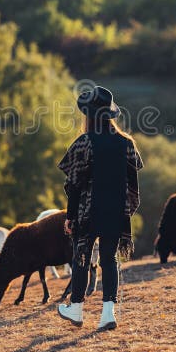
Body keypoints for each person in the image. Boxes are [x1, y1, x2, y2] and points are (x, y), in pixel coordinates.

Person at [57, 86, 142, 330]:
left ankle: (76, 308)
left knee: (81, 258)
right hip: (115, 213)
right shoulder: (127, 144)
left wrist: (70, 216)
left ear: (89, 115)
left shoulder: (84, 143)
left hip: (87, 213)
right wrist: (124, 212)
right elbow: (134, 189)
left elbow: (73, 185)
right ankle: (108, 314)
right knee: (109, 259)